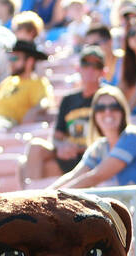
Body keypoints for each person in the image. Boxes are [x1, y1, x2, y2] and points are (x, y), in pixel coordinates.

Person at [52, 84, 136, 187]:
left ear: (122, 112)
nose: (107, 112)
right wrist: (44, 194)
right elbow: (74, 175)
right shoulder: (99, 147)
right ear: (94, 115)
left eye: (114, 107)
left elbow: (96, 177)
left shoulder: (131, 137)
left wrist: (55, 197)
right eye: (101, 108)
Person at [24, 43, 104, 181]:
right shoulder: (68, 99)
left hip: (93, 157)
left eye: (96, 65)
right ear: (78, 68)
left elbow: (110, 137)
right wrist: (61, 146)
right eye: (86, 64)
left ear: (103, 71)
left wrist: (78, 148)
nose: (90, 69)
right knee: (34, 147)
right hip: (69, 154)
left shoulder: (106, 98)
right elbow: (57, 136)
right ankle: (31, 197)